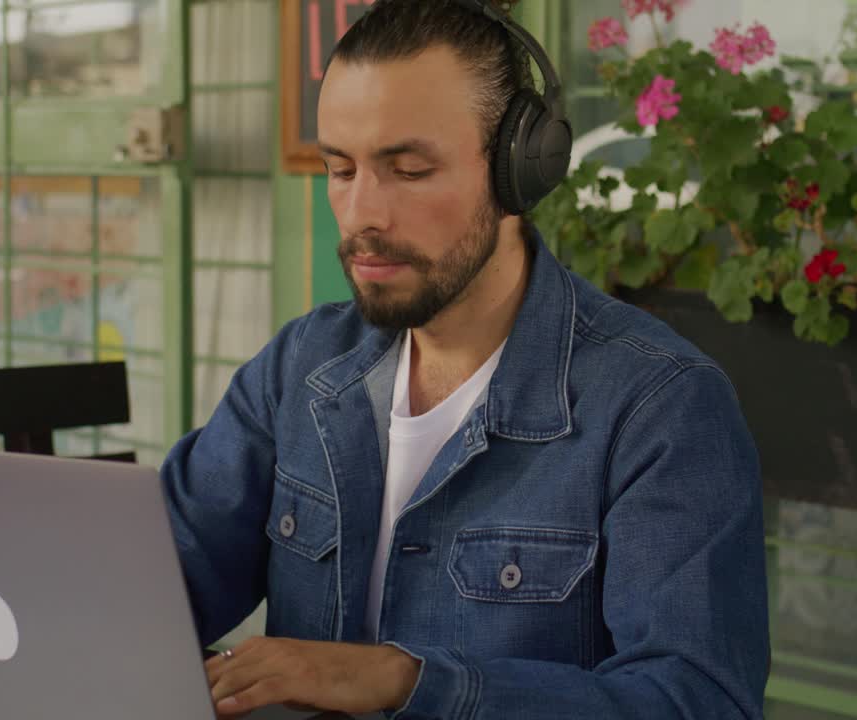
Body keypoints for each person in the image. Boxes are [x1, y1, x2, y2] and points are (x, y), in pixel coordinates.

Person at [162, 1, 770, 717]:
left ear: (520, 169)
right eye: (340, 169)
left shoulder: (661, 407)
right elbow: (161, 582)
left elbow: (696, 701)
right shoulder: (300, 366)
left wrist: (405, 681)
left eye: (409, 170)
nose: (363, 214)